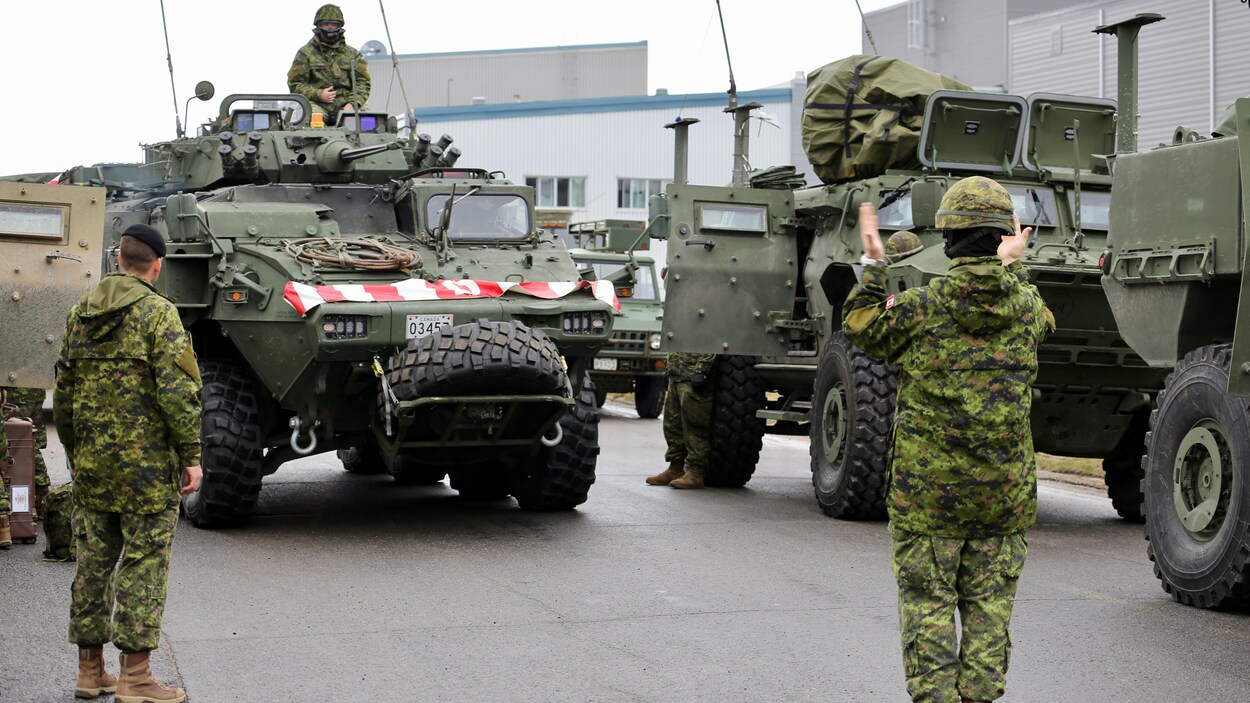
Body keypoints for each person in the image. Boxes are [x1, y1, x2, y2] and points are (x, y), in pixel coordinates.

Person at [842, 176, 1053, 703]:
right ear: (1004, 234)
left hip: (928, 499)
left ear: (949, 239)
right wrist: (1013, 264)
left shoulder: (920, 308)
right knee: (989, 611)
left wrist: (874, 265)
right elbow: (1044, 318)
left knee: (928, 606)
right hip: (1003, 499)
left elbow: (860, 323)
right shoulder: (1027, 310)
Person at [54, 223, 203, 703]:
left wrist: (77, 456)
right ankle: (135, 678)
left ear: (119, 260)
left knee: (93, 563)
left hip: (94, 466)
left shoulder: (81, 314)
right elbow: (179, 395)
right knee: (143, 563)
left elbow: (65, 395)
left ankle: (89, 671)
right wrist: (192, 457)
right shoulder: (161, 315)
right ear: (156, 266)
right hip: (146, 471)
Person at [287, 4, 371, 126]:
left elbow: (362, 82)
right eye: (326, 24)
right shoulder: (305, 53)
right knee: (309, 121)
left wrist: (352, 104)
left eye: (334, 24)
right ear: (318, 26)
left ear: (340, 26)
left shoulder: (353, 54)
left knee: (372, 121)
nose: (330, 28)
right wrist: (318, 94)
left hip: (347, 105)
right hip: (316, 105)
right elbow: (295, 84)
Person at [646, 352, 715, 489]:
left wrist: (701, 369)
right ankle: (675, 468)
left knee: (694, 425)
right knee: (672, 425)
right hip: (676, 375)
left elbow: (712, 342)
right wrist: (668, 368)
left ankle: (696, 472)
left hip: (692, 376)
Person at [1, 386, 51, 518]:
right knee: (31, 441)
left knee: (25, 443)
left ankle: (41, 492)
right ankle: (41, 495)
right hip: (35, 392)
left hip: (19, 396)